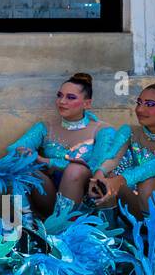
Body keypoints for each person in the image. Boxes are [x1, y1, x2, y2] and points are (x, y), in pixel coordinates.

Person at [6, 73, 123, 218]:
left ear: (87, 103)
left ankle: (64, 228)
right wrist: (24, 153)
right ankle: (26, 225)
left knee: (75, 170)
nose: (62, 101)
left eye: (70, 97)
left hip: (85, 198)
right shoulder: (45, 127)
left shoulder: (102, 130)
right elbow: (13, 149)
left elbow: (97, 167)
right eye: (59, 95)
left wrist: (49, 162)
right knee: (19, 166)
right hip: (48, 195)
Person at [89, 74, 155, 218]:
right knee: (107, 178)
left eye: (150, 105)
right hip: (137, 201)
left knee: (147, 184)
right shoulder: (129, 131)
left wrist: (119, 180)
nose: (140, 110)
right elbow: (112, 159)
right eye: (139, 103)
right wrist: (98, 176)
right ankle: (108, 232)